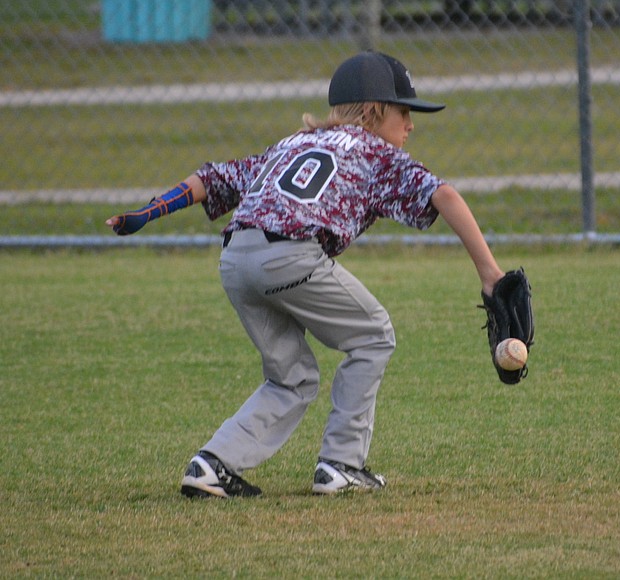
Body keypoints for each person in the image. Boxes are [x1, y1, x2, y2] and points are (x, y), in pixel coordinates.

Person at [106, 51, 506, 498]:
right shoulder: (374, 151)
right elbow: (444, 196)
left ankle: (212, 464)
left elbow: (211, 179)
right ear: (374, 111)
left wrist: (147, 212)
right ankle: (341, 465)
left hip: (236, 258)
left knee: (291, 376)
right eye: (404, 111)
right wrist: (489, 272)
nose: (411, 124)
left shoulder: (293, 142)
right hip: (290, 254)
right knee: (373, 336)